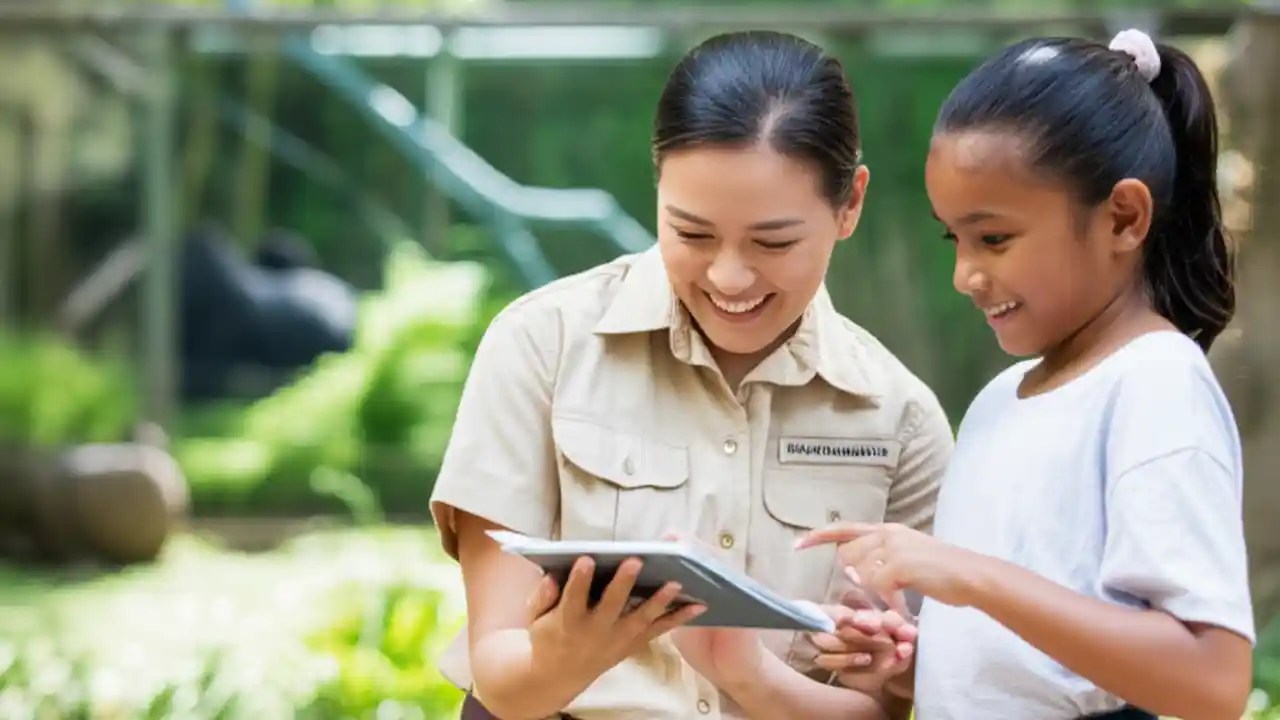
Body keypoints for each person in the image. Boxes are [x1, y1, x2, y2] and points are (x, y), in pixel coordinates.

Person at [427, 30, 953, 720]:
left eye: (773, 242)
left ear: (850, 203)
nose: (729, 276)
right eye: (692, 233)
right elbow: (501, 678)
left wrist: (747, 670)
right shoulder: (543, 346)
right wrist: (574, 647)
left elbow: (884, 708)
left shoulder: (901, 419)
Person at [784, 28, 1253, 720]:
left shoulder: (1156, 385)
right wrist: (911, 662)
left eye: (994, 238)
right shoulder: (1001, 401)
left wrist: (967, 578)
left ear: (1123, 218)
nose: (965, 275)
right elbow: (1035, 671)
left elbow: (1211, 681)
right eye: (956, 238)